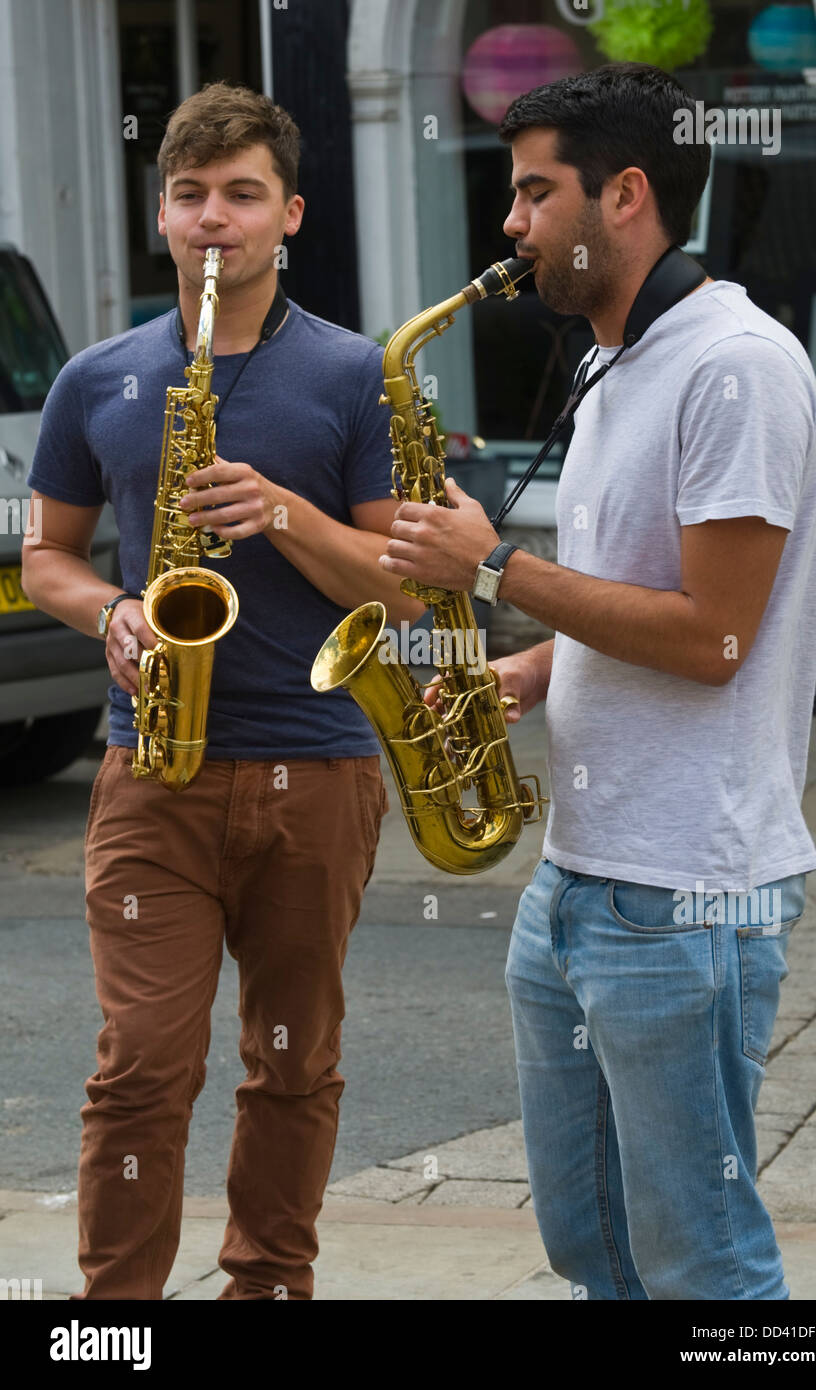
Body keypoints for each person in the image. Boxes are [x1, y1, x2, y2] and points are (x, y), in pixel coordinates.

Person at [380, 63, 816, 1300]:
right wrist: (529, 671)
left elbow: (715, 638)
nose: (509, 226)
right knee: (595, 1246)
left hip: (686, 891)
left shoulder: (733, 365)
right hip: (582, 873)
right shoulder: (619, 360)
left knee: (704, 1263)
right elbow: (641, 601)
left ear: (624, 195)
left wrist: (500, 566)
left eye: (534, 194)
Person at [22, 81, 422, 1301]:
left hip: (319, 762)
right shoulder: (96, 378)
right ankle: (115, 1321)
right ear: (160, 213)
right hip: (155, 768)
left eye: (241, 195)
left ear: (288, 214)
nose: (214, 220)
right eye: (190, 195)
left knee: (292, 1065)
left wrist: (285, 512)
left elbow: (403, 588)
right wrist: (115, 609)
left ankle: (267, 1288)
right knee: (140, 1064)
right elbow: (48, 555)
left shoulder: (360, 376)